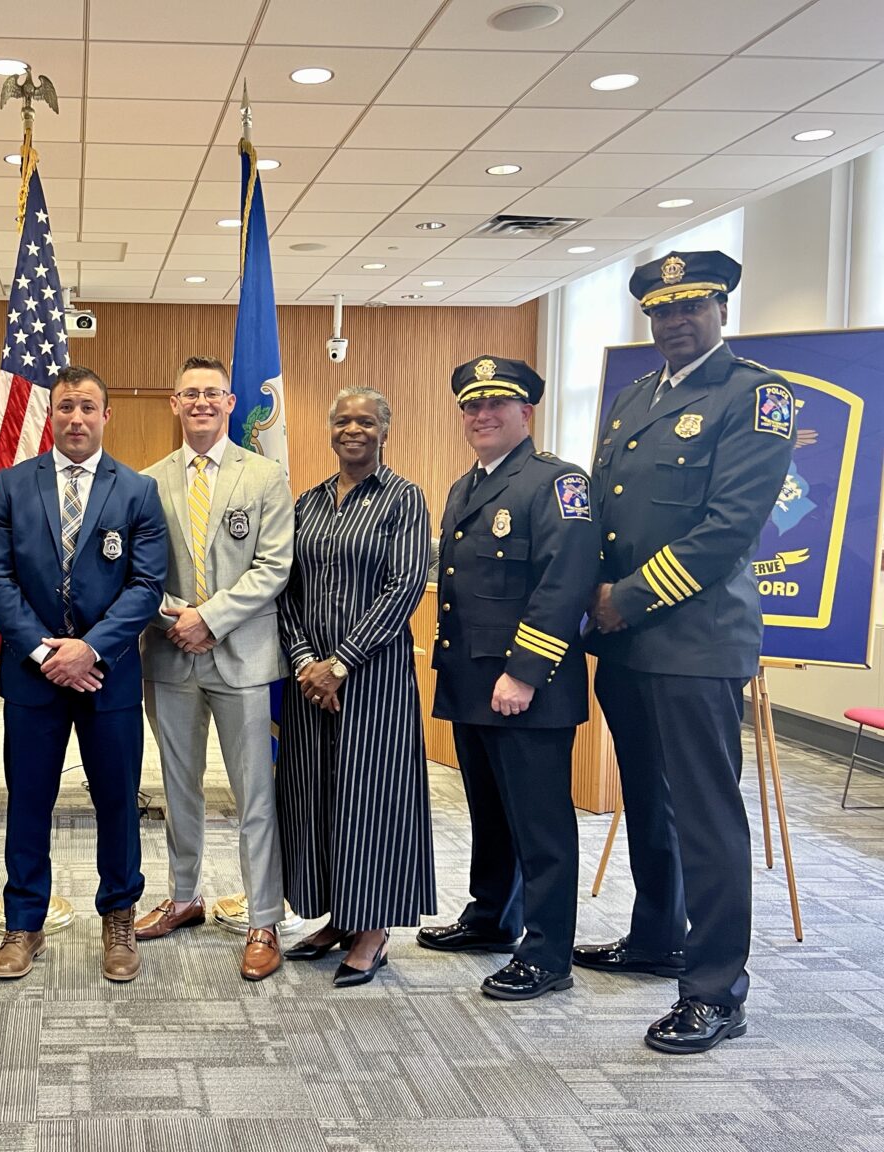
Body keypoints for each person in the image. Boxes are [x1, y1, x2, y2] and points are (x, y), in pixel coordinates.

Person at [579, 251, 796, 1054]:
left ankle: (714, 990)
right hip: (628, 647)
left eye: (691, 307)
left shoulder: (755, 397)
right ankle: (654, 937)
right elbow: (606, 518)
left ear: (722, 311)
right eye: (661, 312)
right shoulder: (637, 398)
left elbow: (728, 528)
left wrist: (623, 597)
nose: (674, 322)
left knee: (706, 817)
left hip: (698, 643)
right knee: (648, 801)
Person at [0, 365, 167, 982]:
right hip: (32, 678)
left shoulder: (137, 491)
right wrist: (44, 652)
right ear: (51, 415)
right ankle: (23, 922)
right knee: (29, 801)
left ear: (107, 416)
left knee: (117, 800)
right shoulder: (9, 486)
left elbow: (145, 586)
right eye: (65, 408)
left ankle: (118, 919)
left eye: (88, 407)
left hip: (107, 675)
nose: (76, 418)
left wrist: (89, 650)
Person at [421, 356, 596, 1001]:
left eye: (497, 404)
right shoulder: (466, 486)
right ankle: (493, 915)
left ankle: (548, 952)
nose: (482, 415)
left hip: (527, 686)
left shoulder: (557, 484)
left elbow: (564, 583)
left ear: (527, 412)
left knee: (540, 824)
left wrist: (524, 672)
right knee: (490, 812)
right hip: (471, 681)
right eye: (471, 406)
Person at [135, 355, 293, 981]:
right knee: (180, 790)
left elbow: (275, 567)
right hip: (171, 656)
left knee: (255, 794)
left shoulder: (264, 476)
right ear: (173, 404)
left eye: (212, 394)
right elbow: (138, 576)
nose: (200, 403)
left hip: (244, 660)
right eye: (188, 394)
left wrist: (211, 617)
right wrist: (180, 619)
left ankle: (262, 919)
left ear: (231, 404)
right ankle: (182, 897)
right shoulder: (147, 482)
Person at [277, 386, 434, 988]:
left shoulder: (403, 499)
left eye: (365, 421)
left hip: (374, 681)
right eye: (342, 420)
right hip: (308, 679)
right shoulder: (308, 503)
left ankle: (373, 932)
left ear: (384, 431)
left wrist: (339, 663)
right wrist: (304, 661)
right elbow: (286, 589)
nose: (352, 429)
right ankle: (340, 916)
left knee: (371, 800)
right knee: (316, 796)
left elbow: (404, 586)